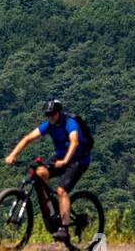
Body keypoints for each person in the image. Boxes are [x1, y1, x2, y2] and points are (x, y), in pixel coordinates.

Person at [5, 99, 90, 241]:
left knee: (62, 190)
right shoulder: (49, 125)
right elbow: (28, 138)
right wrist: (13, 155)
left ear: (59, 113)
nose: (50, 117)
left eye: (53, 114)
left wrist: (65, 161)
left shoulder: (70, 123)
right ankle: (54, 204)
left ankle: (64, 228)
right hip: (60, 158)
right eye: (47, 114)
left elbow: (74, 142)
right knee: (40, 173)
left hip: (78, 160)